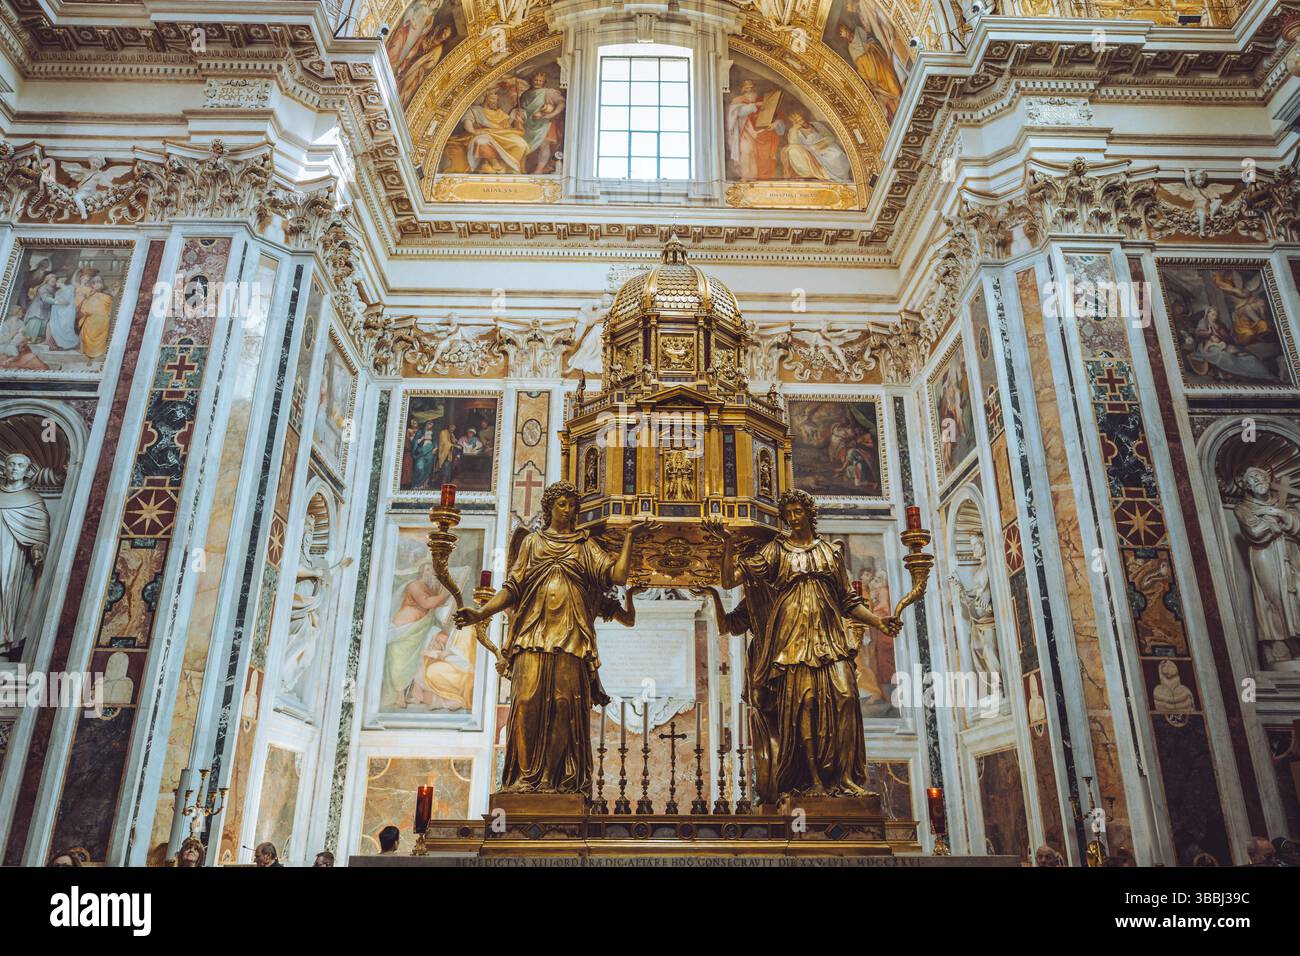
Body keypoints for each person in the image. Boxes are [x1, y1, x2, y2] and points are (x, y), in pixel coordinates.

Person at [455, 481, 656, 793]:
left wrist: (630, 536)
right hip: (532, 635)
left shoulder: (585, 546)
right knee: (525, 701)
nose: (569, 508)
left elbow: (617, 575)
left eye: (572, 503)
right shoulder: (532, 544)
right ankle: (524, 779)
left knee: (565, 705)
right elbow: (513, 588)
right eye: (563, 503)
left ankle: (552, 778)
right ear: (549, 507)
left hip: (572, 638)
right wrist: (482, 614)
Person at [706, 490, 902, 800]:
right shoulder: (776, 551)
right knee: (804, 705)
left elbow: (847, 600)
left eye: (798, 511)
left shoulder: (829, 552)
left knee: (846, 696)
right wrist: (727, 542)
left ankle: (844, 777)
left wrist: (878, 622)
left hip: (829, 637)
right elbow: (730, 580)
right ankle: (811, 781)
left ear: (809, 513)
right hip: (793, 639)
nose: (793, 517)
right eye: (789, 513)